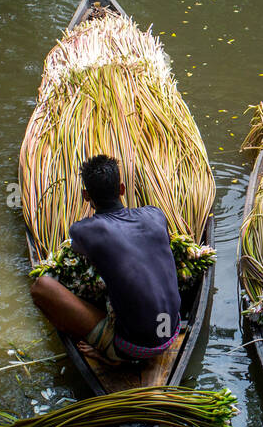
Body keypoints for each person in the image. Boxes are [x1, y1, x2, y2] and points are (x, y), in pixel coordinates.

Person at [30, 154, 181, 365]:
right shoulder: (156, 214)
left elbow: (82, 249)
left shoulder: (84, 231)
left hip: (134, 348)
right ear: (122, 189)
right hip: (170, 332)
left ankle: (109, 354)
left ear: (85, 195)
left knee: (41, 286)